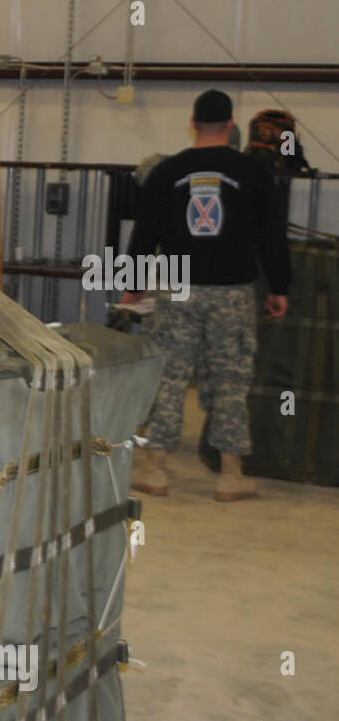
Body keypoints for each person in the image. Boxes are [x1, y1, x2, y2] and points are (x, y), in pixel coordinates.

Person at [124, 89, 289, 501]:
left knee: (170, 376)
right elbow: (272, 236)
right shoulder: (253, 174)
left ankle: (157, 470)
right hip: (232, 289)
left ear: (193, 124)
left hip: (178, 283)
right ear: (231, 125)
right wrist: (280, 287)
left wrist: (134, 284)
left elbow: (144, 233)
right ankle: (230, 476)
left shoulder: (166, 172)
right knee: (232, 379)